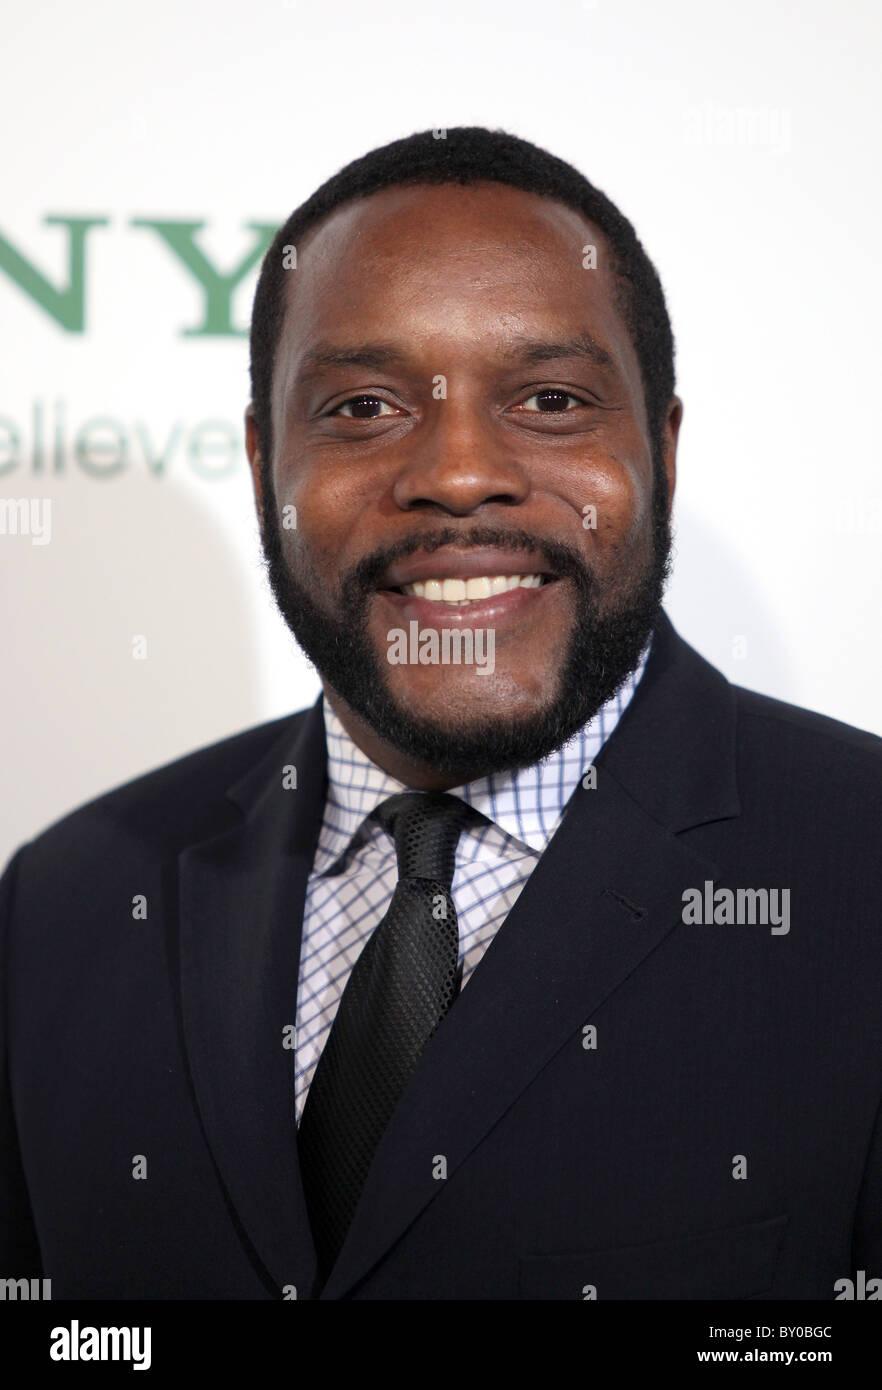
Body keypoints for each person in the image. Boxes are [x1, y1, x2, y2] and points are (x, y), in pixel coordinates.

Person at [2, 127, 880, 1301]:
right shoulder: (64, 903)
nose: (459, 471)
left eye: (553, 399)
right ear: (267, 466)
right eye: (363, 406)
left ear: (662, 453)